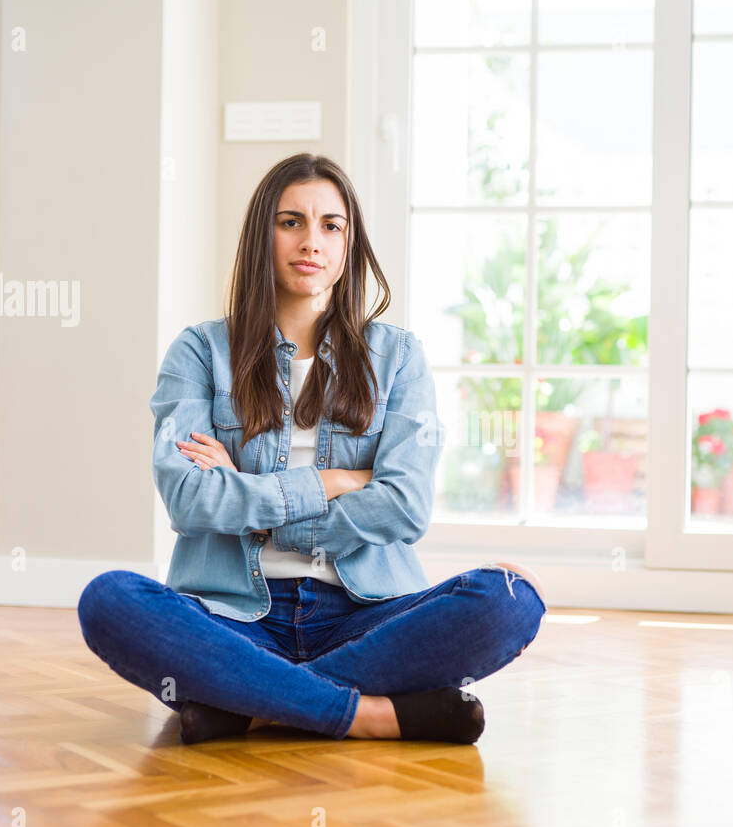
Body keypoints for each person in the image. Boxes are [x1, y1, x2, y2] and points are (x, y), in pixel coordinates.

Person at [77, 152, 547, 746]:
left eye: (331, 225)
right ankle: (369, 715)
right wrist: (338, 481)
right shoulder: (199, 351)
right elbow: (190, 501)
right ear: (262, 236)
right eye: (290, 221)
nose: (311, 241)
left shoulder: (398, 357)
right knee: (110, 600)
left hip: (366, 616)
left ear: (349, 243)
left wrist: (257, 514)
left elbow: (403, 506)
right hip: (233, 618)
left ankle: (247, 704)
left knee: (508, 599)